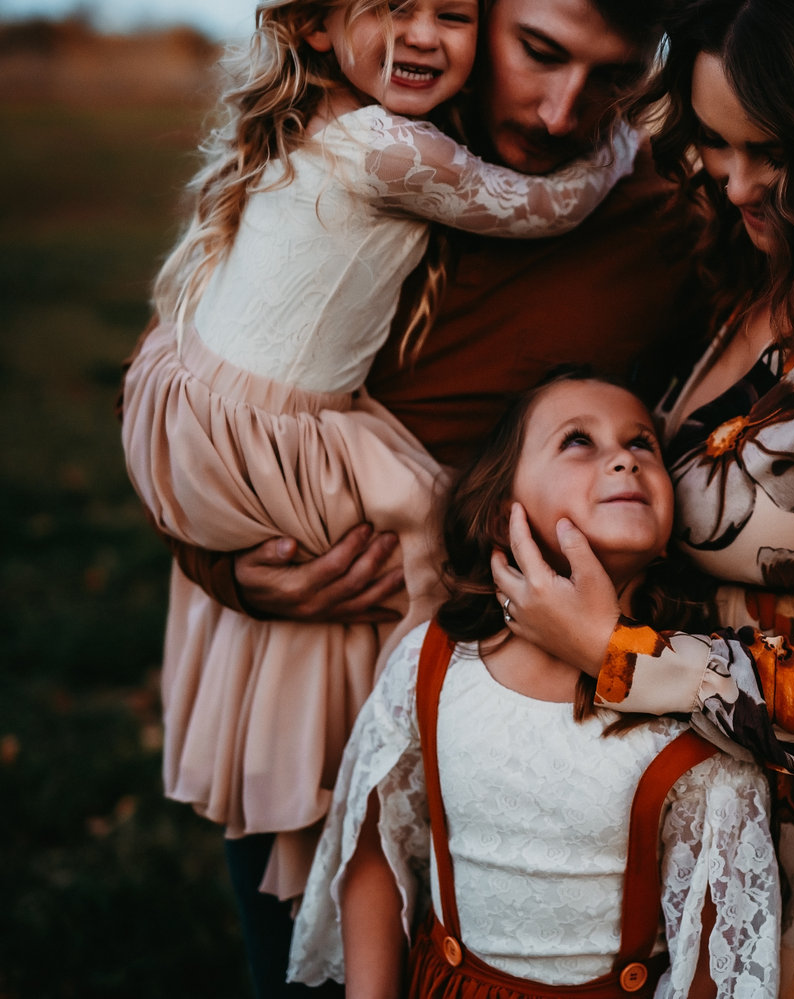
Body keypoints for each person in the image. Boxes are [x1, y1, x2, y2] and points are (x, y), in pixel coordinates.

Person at [118, 0, 689, 994]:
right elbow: (203, 378)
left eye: (612, 77)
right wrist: (228, 563)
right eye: (540, 52)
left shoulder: (666, 225)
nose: (563, 113)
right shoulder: (355, 131)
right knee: (310, 965)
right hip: (303, 657)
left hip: (504, 703)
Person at [490, 1, 794, 993]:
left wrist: (615, 654)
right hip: (698, 816)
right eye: (714, 141)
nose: (736, 178)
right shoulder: (746, 274)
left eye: (773, 151)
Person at [286, 370, 779, 998]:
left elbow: (715, 954)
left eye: (642, 443)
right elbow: (373, 848)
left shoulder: (694, 713)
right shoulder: (434, 664)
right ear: (500, 513)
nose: (624, 460)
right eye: (579, 441)